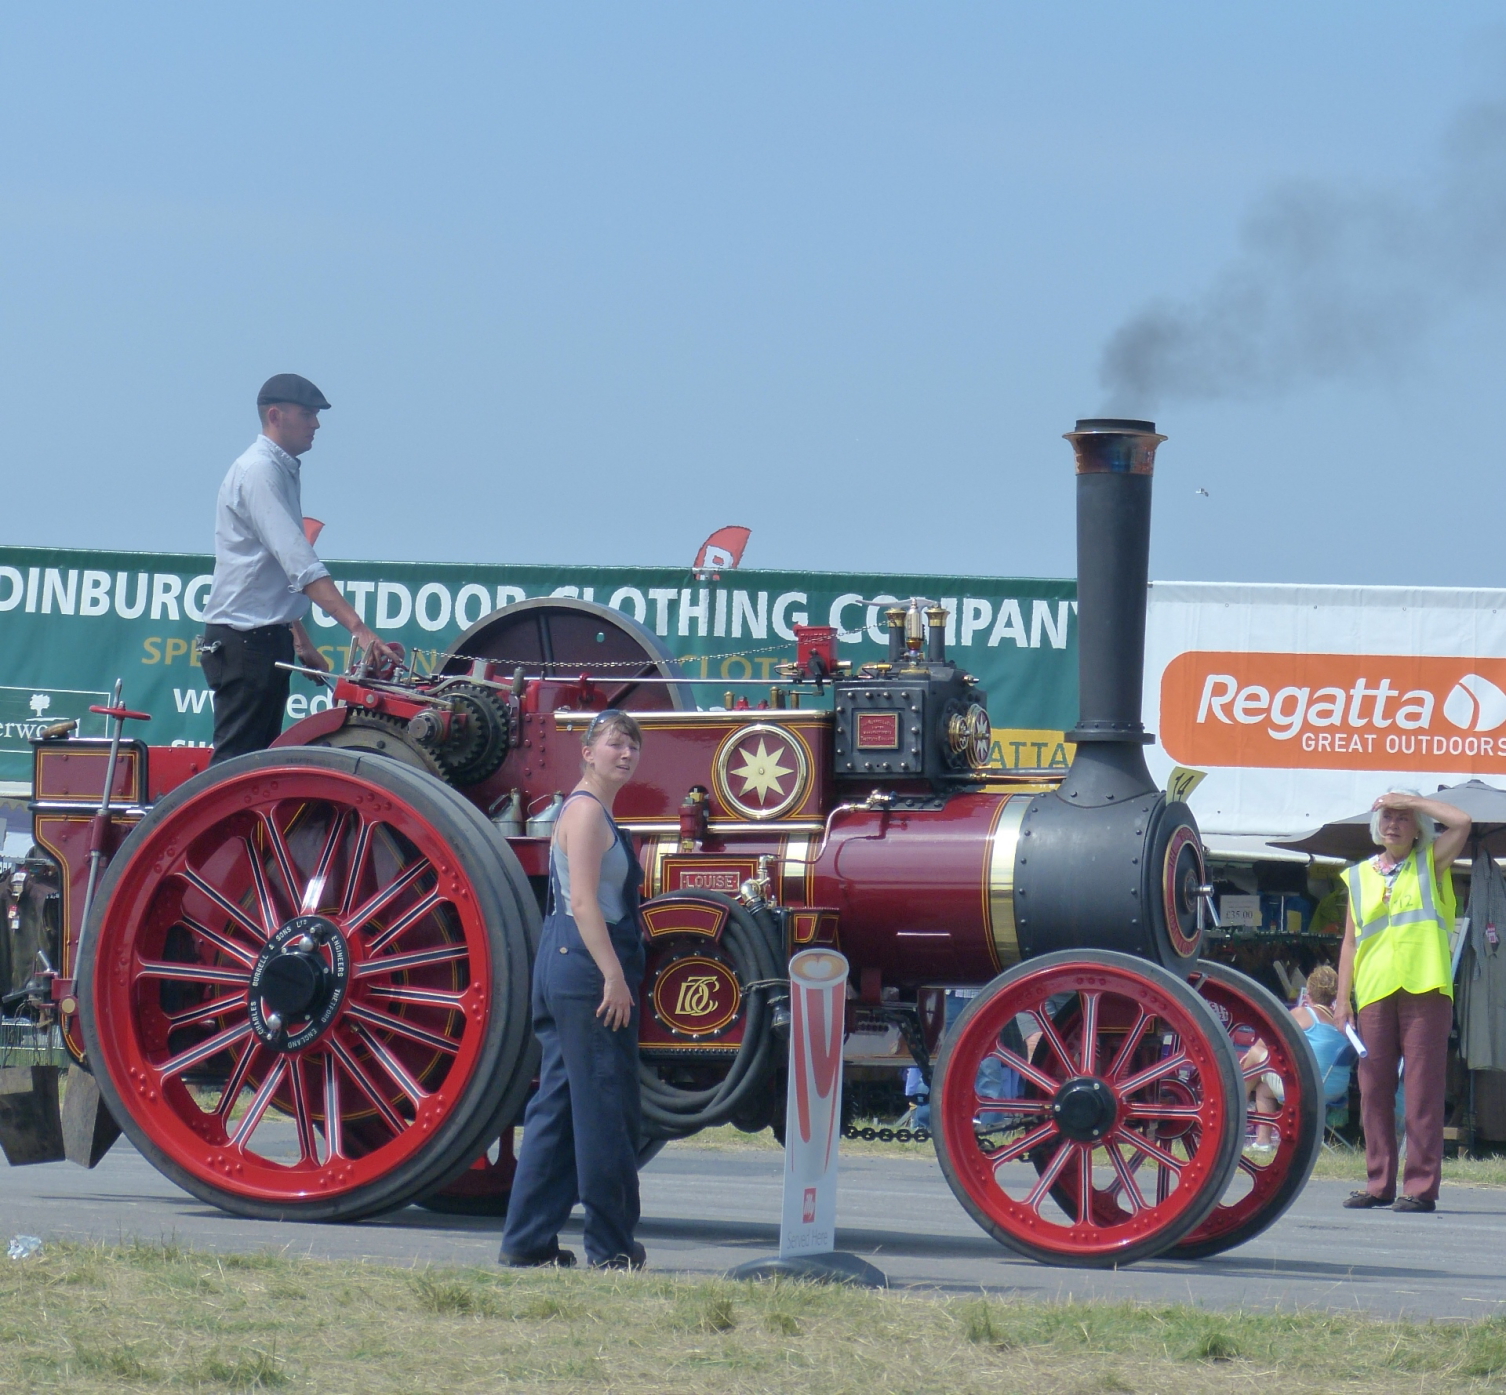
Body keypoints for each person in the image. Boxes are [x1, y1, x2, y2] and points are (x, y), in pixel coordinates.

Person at [500, 710, 648, 1270]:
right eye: (614, 744)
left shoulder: (591, 811)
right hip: (588, 964)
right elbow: (584, 903)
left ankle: (527, 1241)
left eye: (633, 745)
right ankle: (610, 1248)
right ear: (587, 752)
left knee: (559, 1109)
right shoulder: (586, 815)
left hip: (567, 963)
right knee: (604, 1110)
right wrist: (613, 975)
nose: (626, 753)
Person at [200, 373, 397, 763]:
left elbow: (275, 567)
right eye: (308, 414)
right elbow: (299, 564)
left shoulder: (276, 468)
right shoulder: (259, 471)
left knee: (251, 766)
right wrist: (358, 628)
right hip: (245, 642)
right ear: (276, 415)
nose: (316, 424)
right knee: (236, 769)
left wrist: (300, 641)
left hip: (257, 639)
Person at [1334, 789, 1470, 1213]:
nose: (1393, 824)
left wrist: (1415, 800)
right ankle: (1379, 1183)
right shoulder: (1359, 876)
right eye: (1388, 817)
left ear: (1417, 828)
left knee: (1422, 1089)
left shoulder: (1430, 861)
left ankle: (1420, 1187)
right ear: (1377, 827)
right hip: (1375, 990)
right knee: (1373, 1088)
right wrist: (1342, 1001)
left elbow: (1462, 822)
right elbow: (1350, 942)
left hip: (1425, 987)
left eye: (1403, 818)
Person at [1291, 964, 1357, 1110]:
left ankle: (1236, 1108)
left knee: (1258, 1055)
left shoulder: (1301, 1014)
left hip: (1309, 1087)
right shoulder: (1344, 1023)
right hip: (1337, 1089)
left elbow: (1268, 1042)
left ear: (1308, 993)